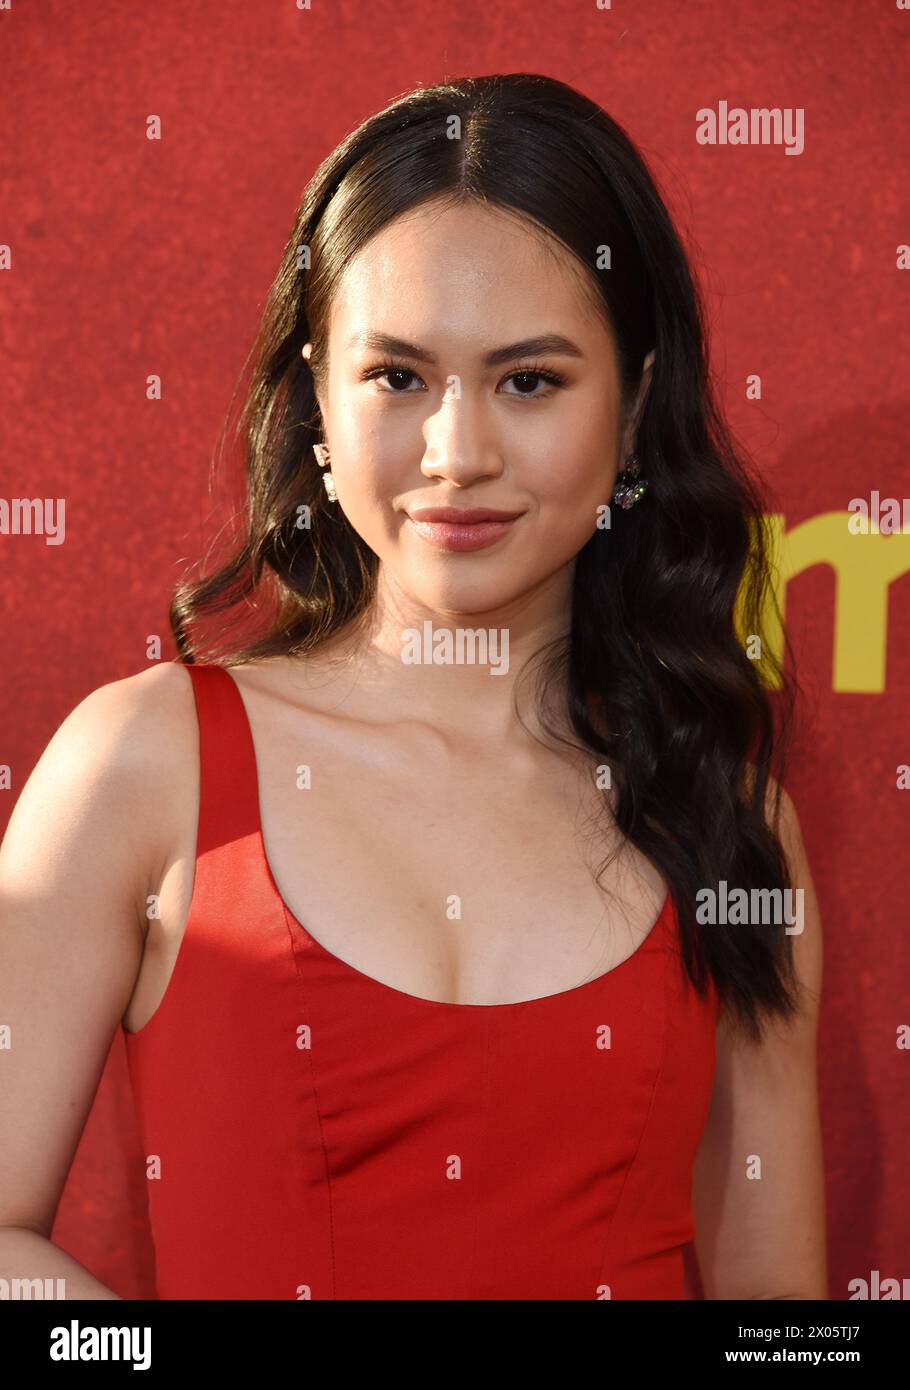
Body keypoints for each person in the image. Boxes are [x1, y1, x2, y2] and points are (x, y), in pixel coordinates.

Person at [0, 73, 826, 1300]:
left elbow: (780, 1320)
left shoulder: (726, 814)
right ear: (318, 400)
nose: (459, 454)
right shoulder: (147, 760)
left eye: (529, 380)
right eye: (397, 377)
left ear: (638, 403)